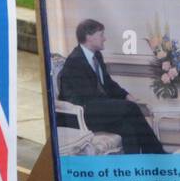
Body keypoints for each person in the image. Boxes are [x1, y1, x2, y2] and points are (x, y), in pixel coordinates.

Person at [58, 19, 165, 155]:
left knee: (128, 127)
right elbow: (88, 97)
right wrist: (119, 105)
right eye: (101, 34)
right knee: (129, 107)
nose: (105, 38)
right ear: (89, 36)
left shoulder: (96, 56)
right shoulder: (75, 61)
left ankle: (132, 167)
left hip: (97, 109)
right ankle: (158, 154)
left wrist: (126, 95)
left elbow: (108, 83)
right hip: (82, 114)